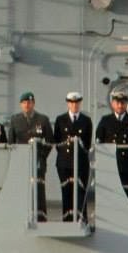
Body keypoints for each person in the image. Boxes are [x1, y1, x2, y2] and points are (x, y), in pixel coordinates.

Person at [6, 91, 54, 221]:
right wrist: (16, 159)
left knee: (39, 190)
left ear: (34, 103)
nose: (27, 105)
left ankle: (41, 218)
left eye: (30, 102)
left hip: (38, 161)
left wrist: (42, 156)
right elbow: (11, 142)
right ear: (21, 104)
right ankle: (21, 218)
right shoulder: (15, 120)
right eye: (24, 102)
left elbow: (50, 141)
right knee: (22, 191)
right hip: (21, 162)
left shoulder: (43, 119)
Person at [95, 90, 128, 202]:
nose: (120, 106)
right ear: (113, 104)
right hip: (110, 163)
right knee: (110, 195)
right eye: (117, 103)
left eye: (123, 103)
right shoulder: (105, 120)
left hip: (126, 164)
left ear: (126, 104)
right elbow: (99, 140)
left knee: (126, 193)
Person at [53, 91, 93, 222]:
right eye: (71, 103)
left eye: (76, 103)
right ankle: (67, 220)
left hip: (81, 163)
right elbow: (57, 142)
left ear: (80, 103)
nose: (74, 105)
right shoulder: (60, 120)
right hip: (64, 163)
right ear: (68, 104)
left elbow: (87, 143)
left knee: (80, 192)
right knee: (66, 192)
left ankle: (81, 220)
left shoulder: (86, 121)